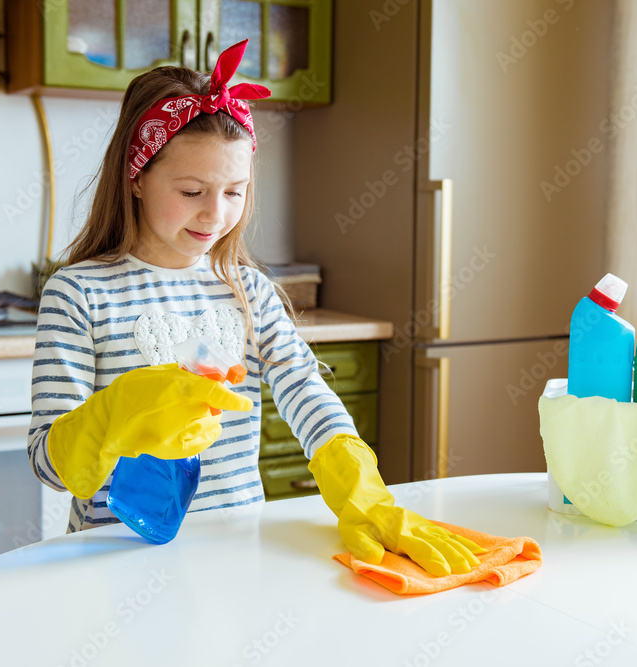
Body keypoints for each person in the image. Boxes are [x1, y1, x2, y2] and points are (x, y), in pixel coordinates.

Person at [28, 40, 484, 577]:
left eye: (234, 192)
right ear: (137, 175)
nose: (215, 215)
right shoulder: (79, 294)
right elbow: (48, 465)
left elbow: (304, 388)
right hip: (115, 561)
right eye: (193, 190)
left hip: (237, 551)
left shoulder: (246, 290)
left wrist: (360, 483)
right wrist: (115, 413)